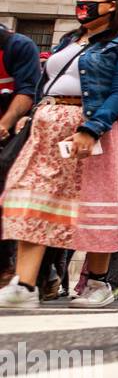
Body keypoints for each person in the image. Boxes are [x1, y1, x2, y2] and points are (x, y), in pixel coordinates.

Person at [0, 0, 118, 309]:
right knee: (31, 195)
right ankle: (24, 285)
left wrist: (91, 129)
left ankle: (97, 282)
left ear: (112, 5)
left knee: (95, 202)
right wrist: (35, 113)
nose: (83, 2)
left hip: (96, 127)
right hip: (47, 129)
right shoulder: (68, 40)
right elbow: (47, 82)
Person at [0, 23, 41, 286]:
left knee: (5, 195)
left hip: (14, 133)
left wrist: (5, 122)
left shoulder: (18, 46)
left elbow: (28, 91)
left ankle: (7, 265)